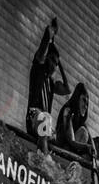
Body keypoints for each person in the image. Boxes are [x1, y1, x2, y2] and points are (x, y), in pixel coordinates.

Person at [27, 19, 69, 152]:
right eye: (52, 61)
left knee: (56, 136)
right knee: (45, 118)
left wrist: (60, 63)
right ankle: (44, 160)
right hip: (33, 115)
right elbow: (45, 40)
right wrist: (52, 33)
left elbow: (67, 89)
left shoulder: (51, 83)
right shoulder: (38, 69)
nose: (54, 66)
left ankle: (43, 154)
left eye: (56, 64)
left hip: (44, 122)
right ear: (46, 58)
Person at [55, 83, 96, 159]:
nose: (85, 106)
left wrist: (93, 149)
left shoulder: (79, 117)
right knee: (83, 132)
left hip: (72, 148)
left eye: (87, 103)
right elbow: (71, 141)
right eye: (83, 100)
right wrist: (86, 147)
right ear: (77, 98)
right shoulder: (68, 111)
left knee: (86, 133)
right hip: (63, 148)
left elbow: (90, 139)